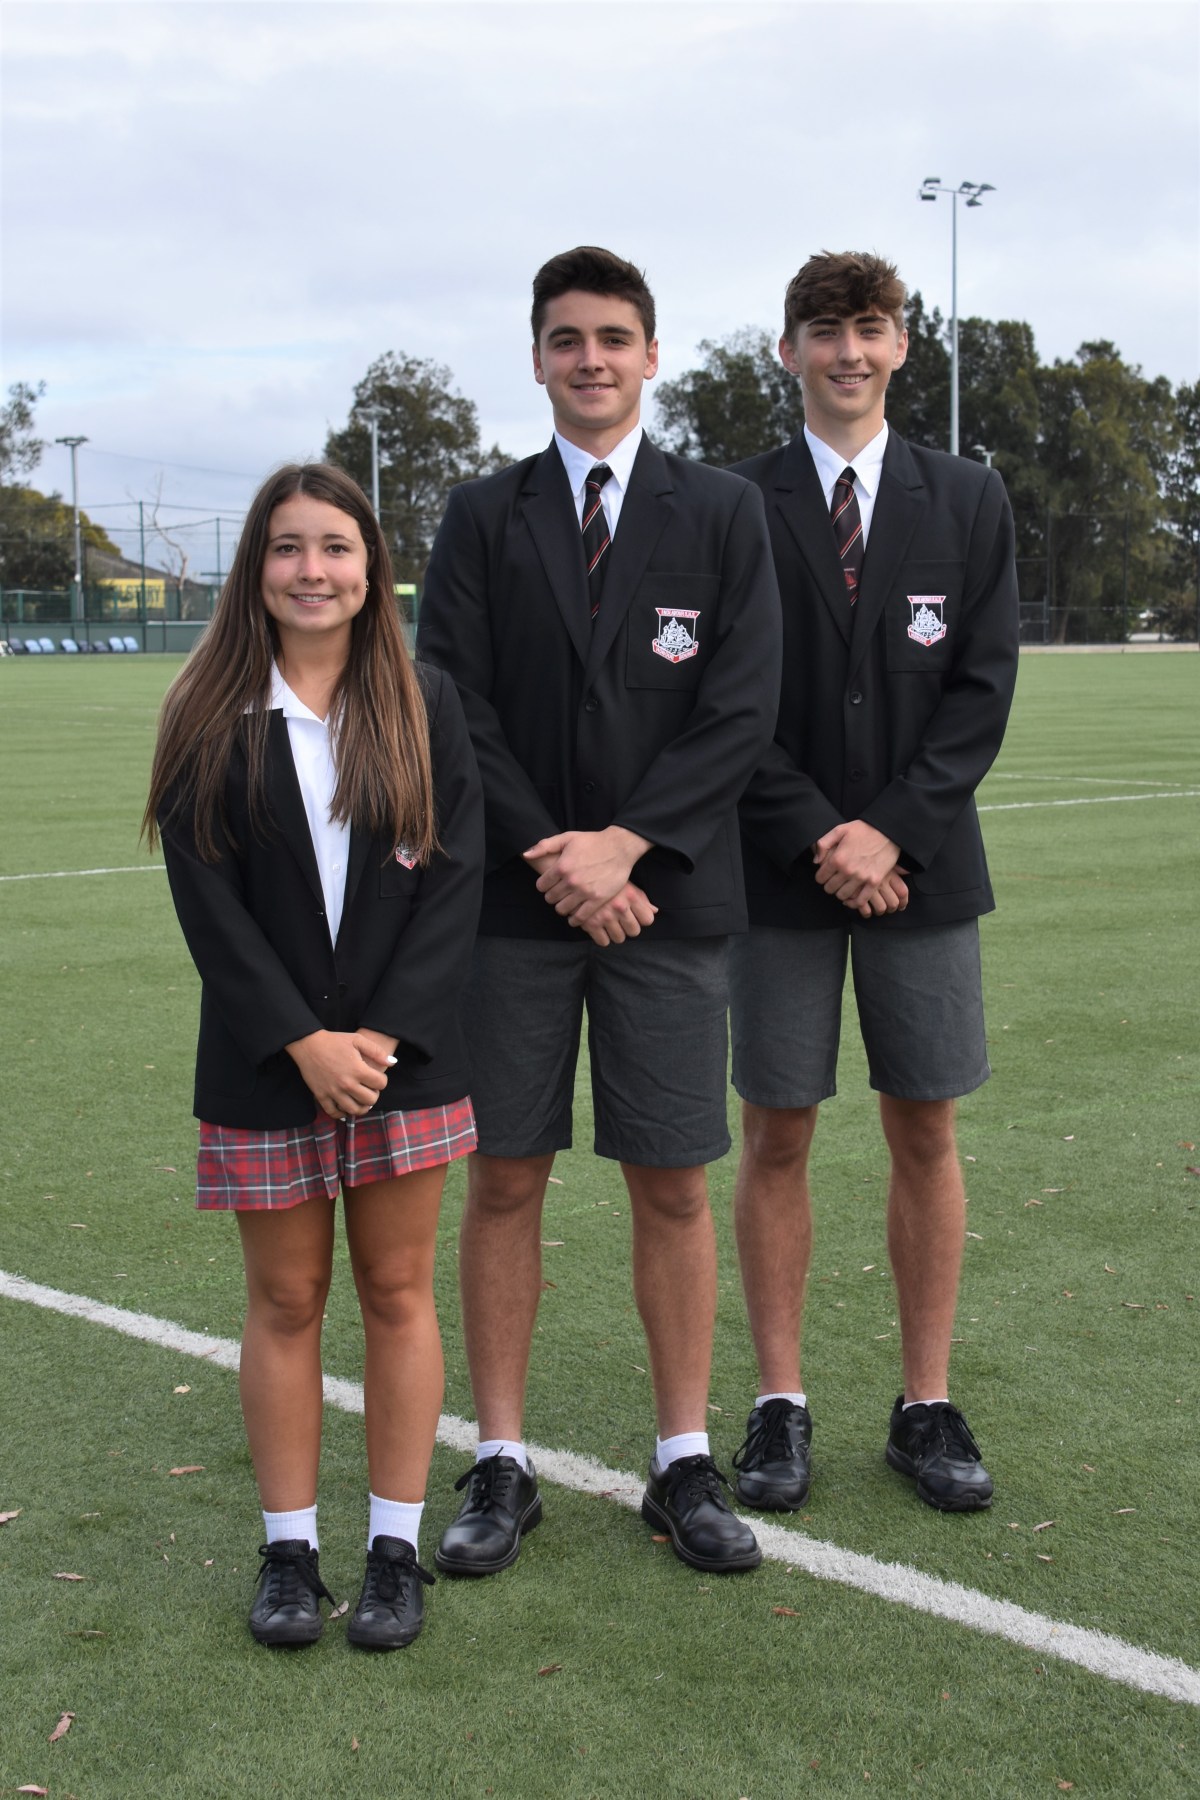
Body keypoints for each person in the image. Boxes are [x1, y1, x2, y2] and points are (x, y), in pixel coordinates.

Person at [417, 246, 781, 1576]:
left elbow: (742, 704)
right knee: (505, 1179)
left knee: (673, 1186)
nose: (590, 359)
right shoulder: (482, 513)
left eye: (613, 337)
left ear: (650, 354)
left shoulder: (724, 513)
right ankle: (501, 1458)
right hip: (513, 912)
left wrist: (625, 847)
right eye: (566, 338)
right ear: (536, 357)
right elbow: (450, 699)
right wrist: (554, 857)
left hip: (668, 906)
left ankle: (682, 1458)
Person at [144, 462, 484, 1649]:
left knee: (397, 1291)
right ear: (257, 569)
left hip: (403, 1063)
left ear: (371, 568)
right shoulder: (205, 709)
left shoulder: (425, 701)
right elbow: (209, 905)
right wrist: (302, 1041)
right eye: (287, 549)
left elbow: (455, 882)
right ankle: (289, 1553)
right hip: (264, 1063)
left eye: (335, 548)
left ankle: (395, 1548)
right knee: (286, 1299)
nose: (312, 571)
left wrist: (376, 1040)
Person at [727, 251, 1019, 1515]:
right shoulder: (730, 503)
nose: (848, 349)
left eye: (871, 327)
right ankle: (779, 1404)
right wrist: (818, 834)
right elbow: (723, 699)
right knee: (777, 1131)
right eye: (823, 329)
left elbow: (983, 688)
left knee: (925, 1126)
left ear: (904, 346)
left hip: (925, 872)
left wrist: (891, 831)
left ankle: (923, 1402)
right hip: (779, 875)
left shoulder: (968, 497)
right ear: (786, 349)